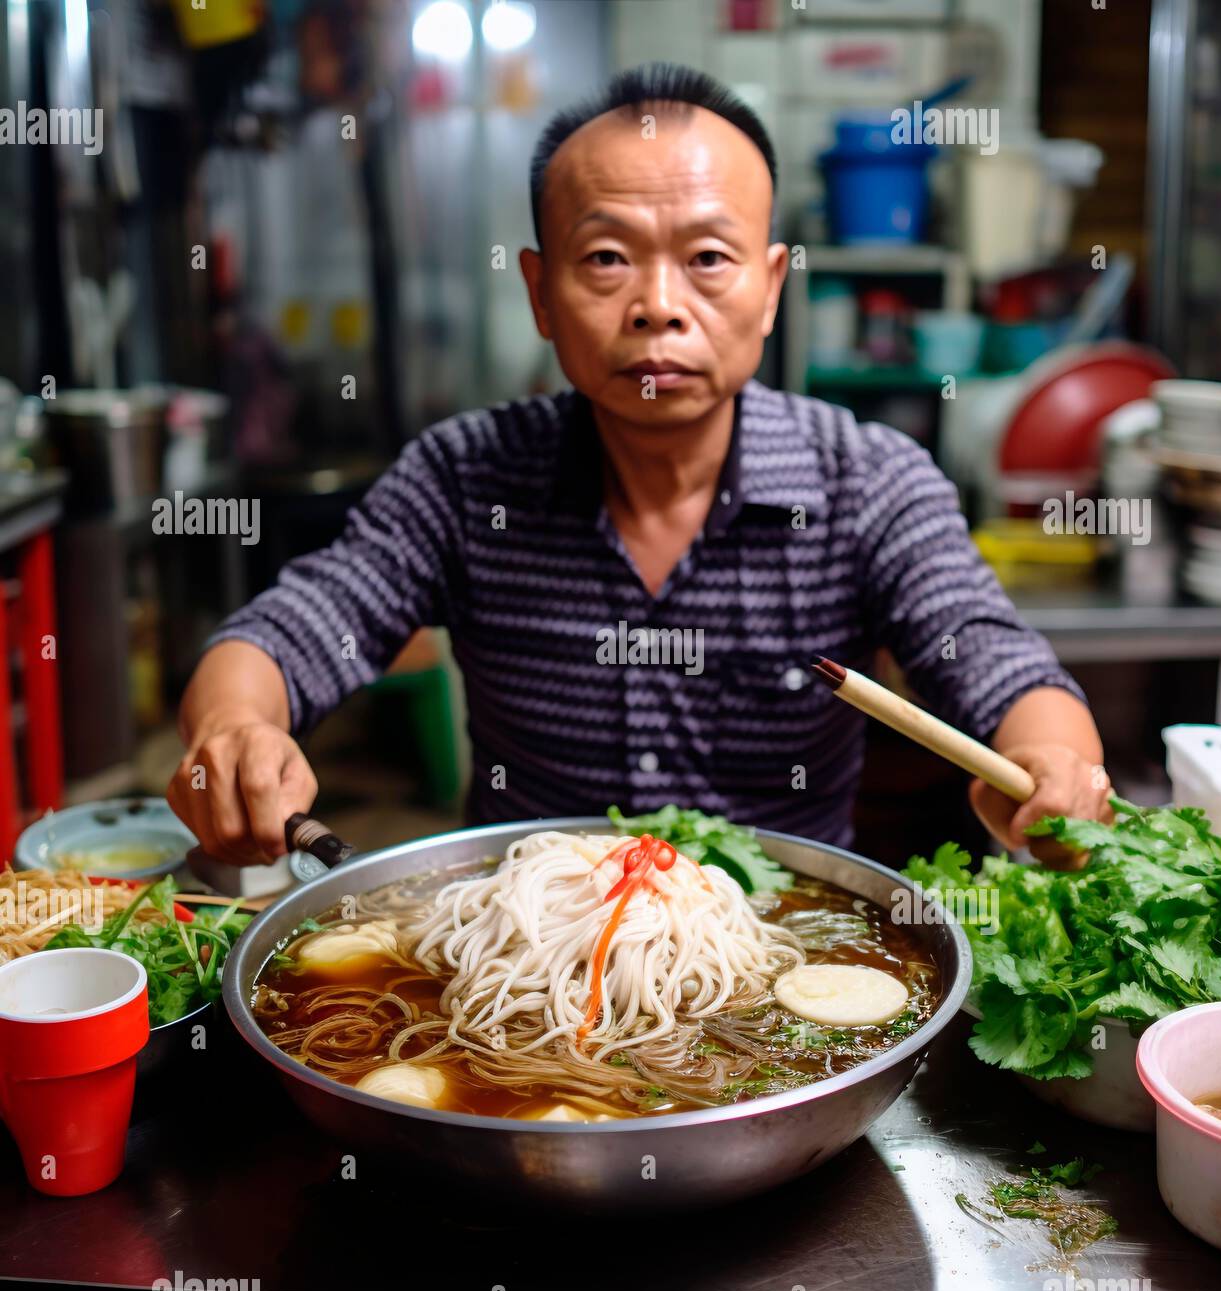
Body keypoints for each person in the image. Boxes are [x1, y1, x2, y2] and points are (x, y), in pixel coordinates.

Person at [167, 63, 1111, 870]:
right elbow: (298, 627)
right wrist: (234, 733)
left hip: (785, 973)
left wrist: (1050, 763)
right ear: (542, 293)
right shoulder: (465, 479)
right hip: (523, 970)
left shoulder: (869, 484)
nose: (659, 305)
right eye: (608, 258)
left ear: (773, 285)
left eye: (707, 257)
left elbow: (988, 656)